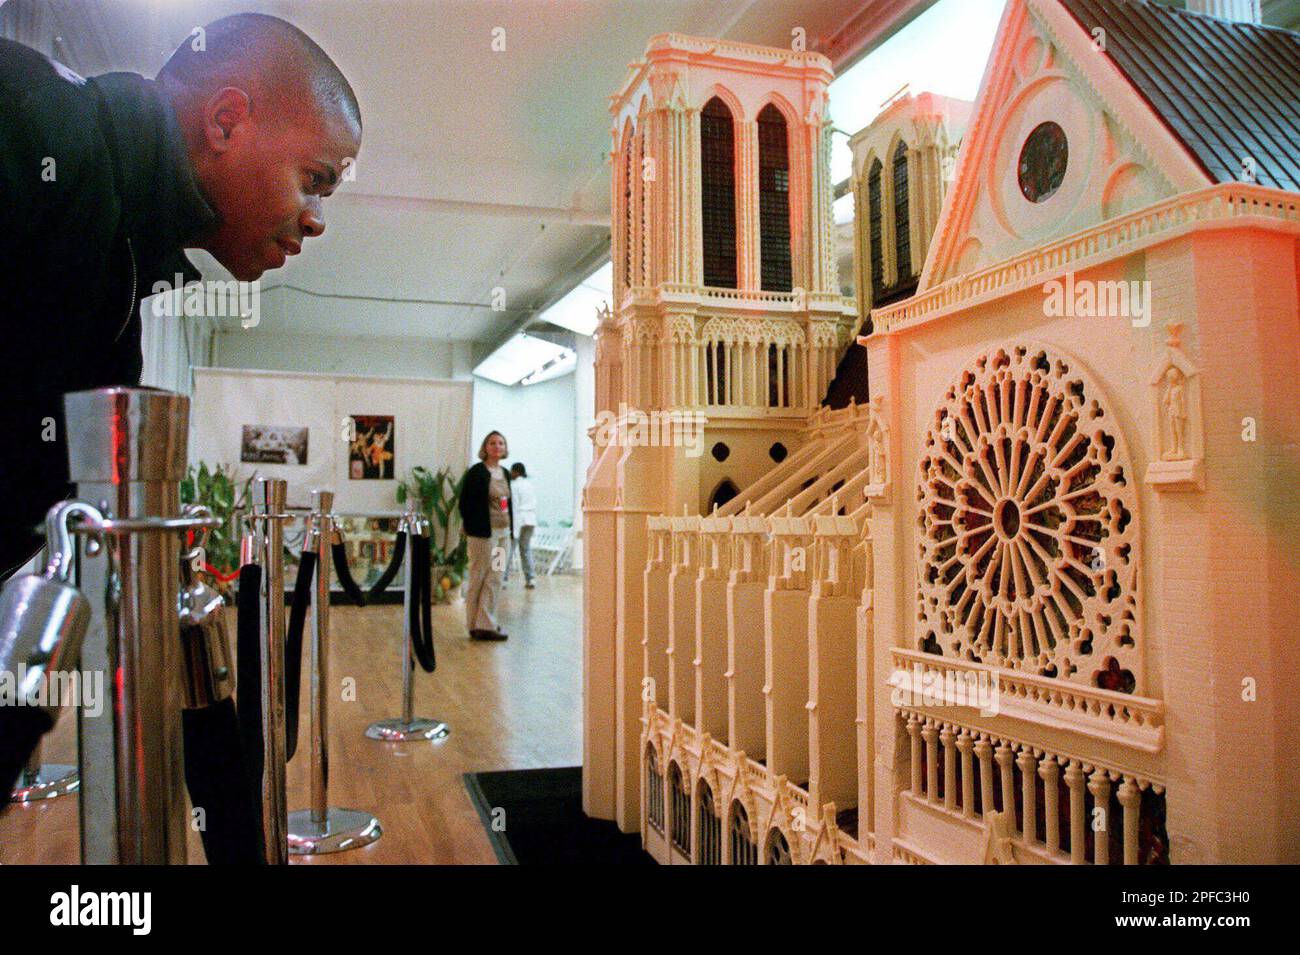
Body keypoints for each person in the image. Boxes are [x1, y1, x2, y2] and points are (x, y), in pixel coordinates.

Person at [0, 13, 362, 578]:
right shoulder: (27, 112)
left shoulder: (123, 281)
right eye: (314, 180)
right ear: (224, 123)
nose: (316, 220)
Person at [458, 432, 513, 641]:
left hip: (502, 534)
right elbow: (465, 503)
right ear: (485, 447)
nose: (497, 446)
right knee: (479, 576)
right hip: (482, 534)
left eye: (501, 443)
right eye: (492, 443)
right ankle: (473, 624)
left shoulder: (505, 473)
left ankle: (486, 623)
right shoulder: (476, 472)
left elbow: (507, 504)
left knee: (495, 577)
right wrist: (472, 527)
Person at [503, 462, 538, 588]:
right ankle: (530, 578)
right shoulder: (529, 485)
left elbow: (515, 506)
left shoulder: (514, 485)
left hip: (518, 519)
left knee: (508, 550)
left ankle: (502, 579)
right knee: (526, 549)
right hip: (530, 520)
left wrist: (513, 526)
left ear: (516, 472)